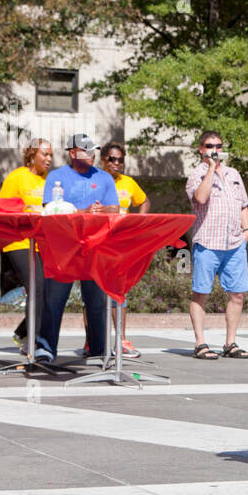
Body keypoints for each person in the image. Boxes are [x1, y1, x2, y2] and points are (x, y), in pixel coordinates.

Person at [36, 134, 120, 362]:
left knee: (96, 302)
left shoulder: (104, 178)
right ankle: (45, 349)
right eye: (86, 151)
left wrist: (102, 211)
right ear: (73, 153)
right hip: (64, 249)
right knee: (54, 300)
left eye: (94, 151)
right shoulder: (56, 177)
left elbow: (115, 208)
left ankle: (99, 350)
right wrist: (83, 212)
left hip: (96, 247)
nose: (92, 155)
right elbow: (50, 210)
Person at [186, 130, 248, 360]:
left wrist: (247, 231)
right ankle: (200, 343)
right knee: (201, 292)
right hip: (207, 243)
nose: (215, 149)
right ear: (201, 149)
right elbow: (201, 198)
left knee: (237, 294)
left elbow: (244, 204)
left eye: (219, 145)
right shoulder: (197, 174)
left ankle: (230, 342)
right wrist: (212, 169)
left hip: (234, 244)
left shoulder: (234, 173)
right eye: (209, 145)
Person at [0, 139, 53, 353]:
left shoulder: (51, 181)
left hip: (43, 243)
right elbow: (2, 209)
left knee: (45, 290)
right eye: (44, 154)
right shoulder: (17, 177)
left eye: (50, 155)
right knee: (36, 286)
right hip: (18, 241)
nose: (49, 159)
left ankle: (23, 332)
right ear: (32, 156)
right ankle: (32, 342)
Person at [101, 142, 149, 359]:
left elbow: (144, 201)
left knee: (119, 291)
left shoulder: (128, 183)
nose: (117, 163)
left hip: (121, 242)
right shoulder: (95, 179)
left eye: (121, 159)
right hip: (98, 240)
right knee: (93, 293)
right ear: (103, 160)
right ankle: (91, 341)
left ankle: (121, 340)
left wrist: (138, 221)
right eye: (112, 159)